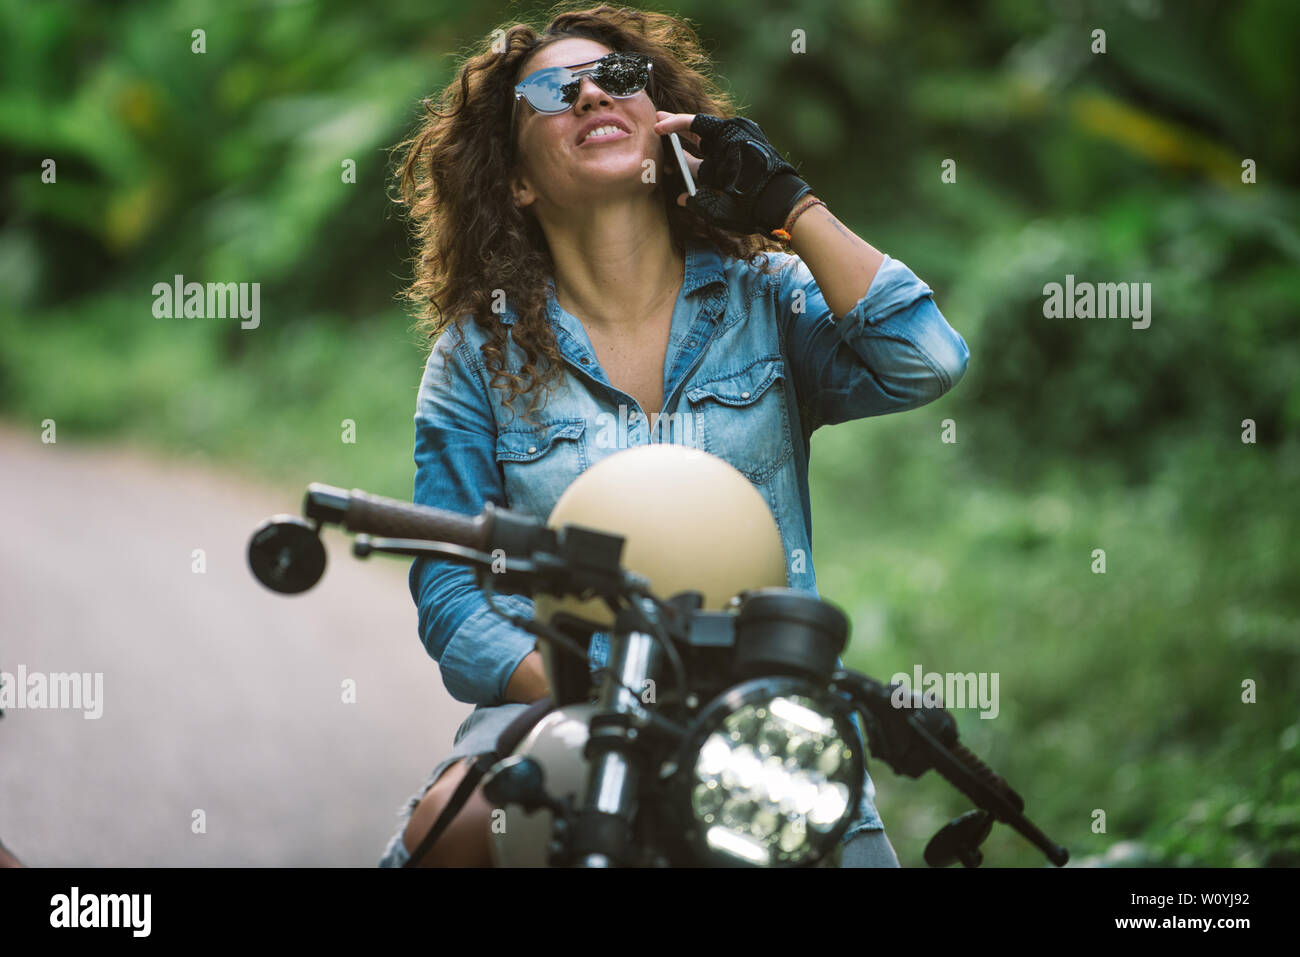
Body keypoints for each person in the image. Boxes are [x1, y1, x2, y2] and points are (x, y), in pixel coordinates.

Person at [378, 4, 969, 868]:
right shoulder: (479, 353)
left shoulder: (768, 298)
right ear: (516, 182)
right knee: (445, 830)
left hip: (765, 715)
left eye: (618, 79)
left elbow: (925, 361)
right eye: (555, 90)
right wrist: (592, 696)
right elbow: (452, 590)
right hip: (567, 716)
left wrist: (790, 203)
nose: (590, 95)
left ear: (664, 127)